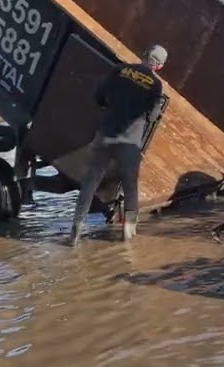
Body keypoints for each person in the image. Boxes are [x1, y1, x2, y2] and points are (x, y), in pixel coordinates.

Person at [67, 44, 168, 245]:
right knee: (130, 188)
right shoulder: (155, 85)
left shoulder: (119, 70)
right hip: (129, 143)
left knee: (90, 183)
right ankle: (128, 234)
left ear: (144, 55)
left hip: (106, 136)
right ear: (159, 67)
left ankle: (76, 230)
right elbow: (152, 116)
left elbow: (98, 97)